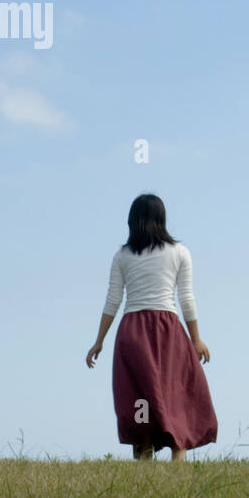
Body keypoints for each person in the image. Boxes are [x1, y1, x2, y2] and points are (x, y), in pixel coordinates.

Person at [86, 194, 217, 460]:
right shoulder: (180, 252)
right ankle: (177, 462)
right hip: (167, 330)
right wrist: (197, 339)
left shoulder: (122, 255)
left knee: (138, 397)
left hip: (131, 332)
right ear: (162, 218)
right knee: (175, 394)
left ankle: (144, 464)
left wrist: (99, 340)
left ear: (132, 221)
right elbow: (186, 298)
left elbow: (113, 299)